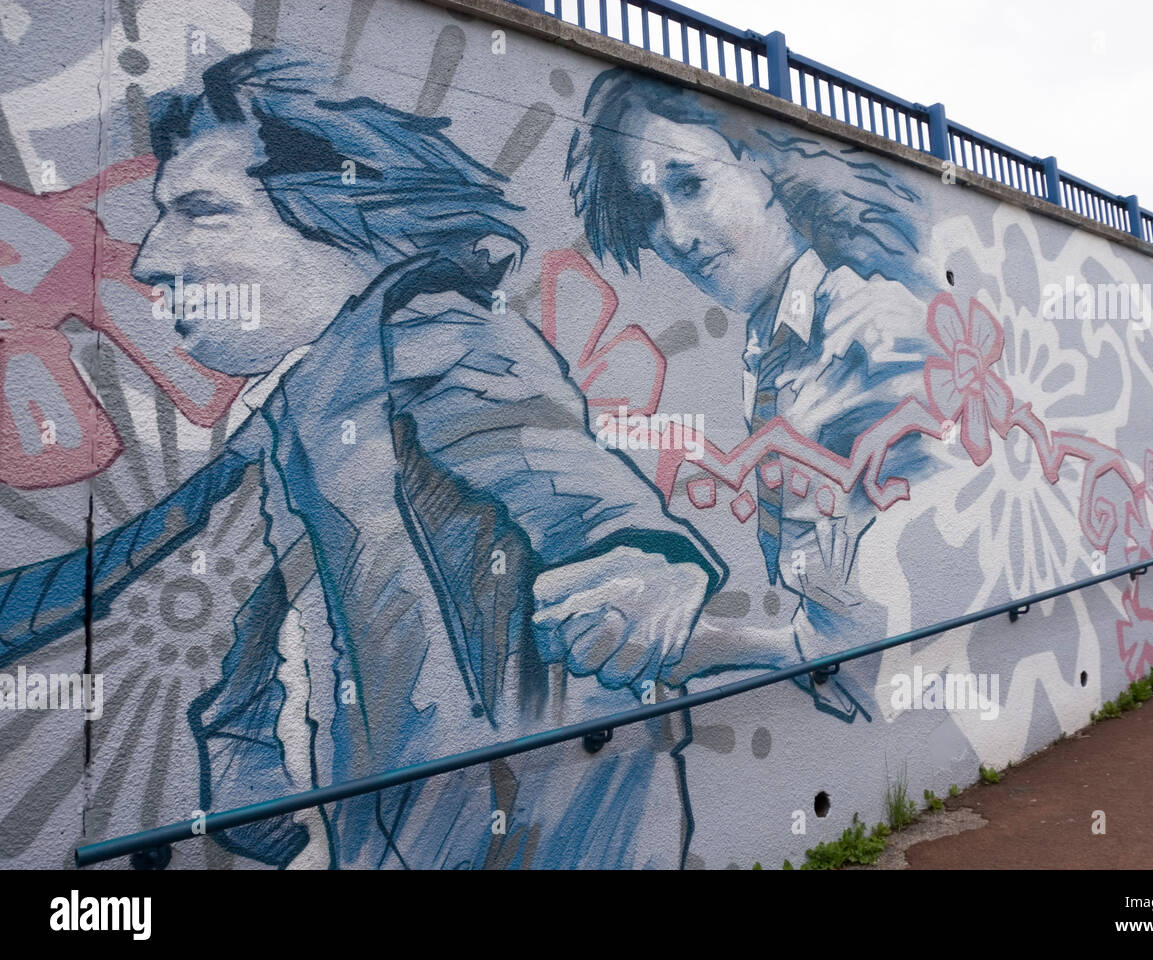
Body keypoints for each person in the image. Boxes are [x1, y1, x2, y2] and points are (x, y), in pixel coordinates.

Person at [0, 50, 726, 869]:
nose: (150, 259)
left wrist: (651, 562)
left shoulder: (436, 335)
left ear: (345, 215)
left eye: (201, 211)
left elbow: (554, 467)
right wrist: (275, 808)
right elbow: (136, 562)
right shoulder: (308, 396)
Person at [566, 67, 943, 722]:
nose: (676, 236)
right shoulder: (769, 346)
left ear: (763, 168)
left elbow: (894, 611)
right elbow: (835, 625)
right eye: (650, 209)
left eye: (691, 185)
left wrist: (700, 629)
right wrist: (693, 641)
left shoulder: (857, 338)